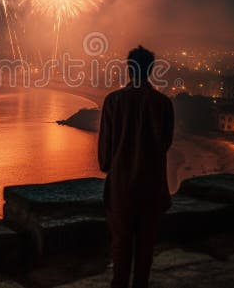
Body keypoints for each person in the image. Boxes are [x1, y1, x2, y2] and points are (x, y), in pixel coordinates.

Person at [98, 45, 174, 288]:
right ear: (151, 70)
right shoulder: (163, 104)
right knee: (146, 245)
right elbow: (165, 143)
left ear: (129, 69)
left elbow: (105, 156)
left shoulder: (113, 101)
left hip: (121, 186)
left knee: (120, 243)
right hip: (152, 185)